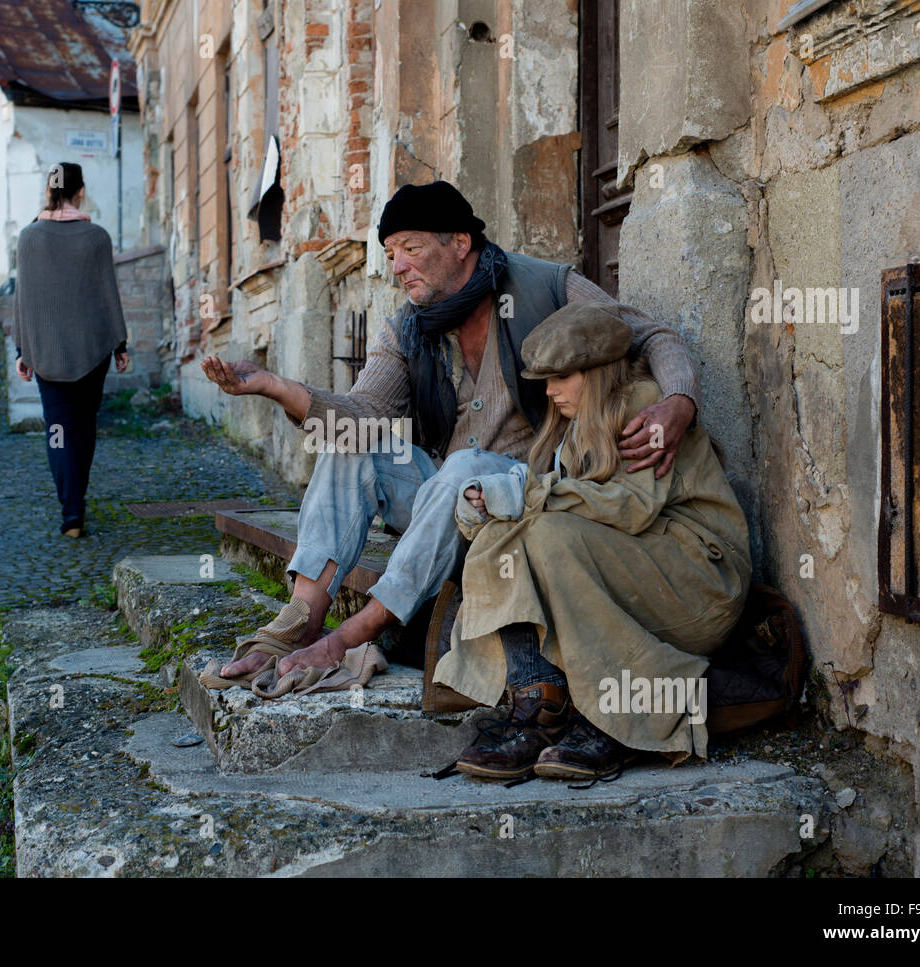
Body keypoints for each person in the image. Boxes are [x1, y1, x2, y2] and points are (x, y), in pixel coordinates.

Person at [200, 180, 701, 693]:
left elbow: (653, 334)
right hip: (446, 499)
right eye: (391, 253)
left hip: (529, 500)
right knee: (353, 447)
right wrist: (274, 386)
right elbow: (363, 415)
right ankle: (302, 618)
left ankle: (358, 632)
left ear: (460, 243)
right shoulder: (408, 328)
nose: (397, 266)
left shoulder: (547, 288)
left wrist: (678, 400)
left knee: (463, 468)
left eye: (411, 248)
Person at [441, 301, 751, 780]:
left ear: (597, 371)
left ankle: (612, 716)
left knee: (541, 531)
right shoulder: (573, 423)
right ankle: (539, 704)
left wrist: (528, 492)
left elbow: (630, 507)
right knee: (507, 534)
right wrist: (483, 507)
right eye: (544, 380)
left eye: (561, 378)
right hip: (648, 570)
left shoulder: (642, 404)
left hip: (701, 582)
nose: (549, 391)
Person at [12, 162, 129, 538]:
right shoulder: (97, 237)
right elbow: (107, 293)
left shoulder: (29, 237)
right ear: (81, 191)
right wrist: (119, 345)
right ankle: (76, 501)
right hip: (91, 350)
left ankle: (71, 512)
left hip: (46, 351)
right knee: (83, 426)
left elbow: (23, 301)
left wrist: (22, 350)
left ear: (49, 191)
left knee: (57, 428)